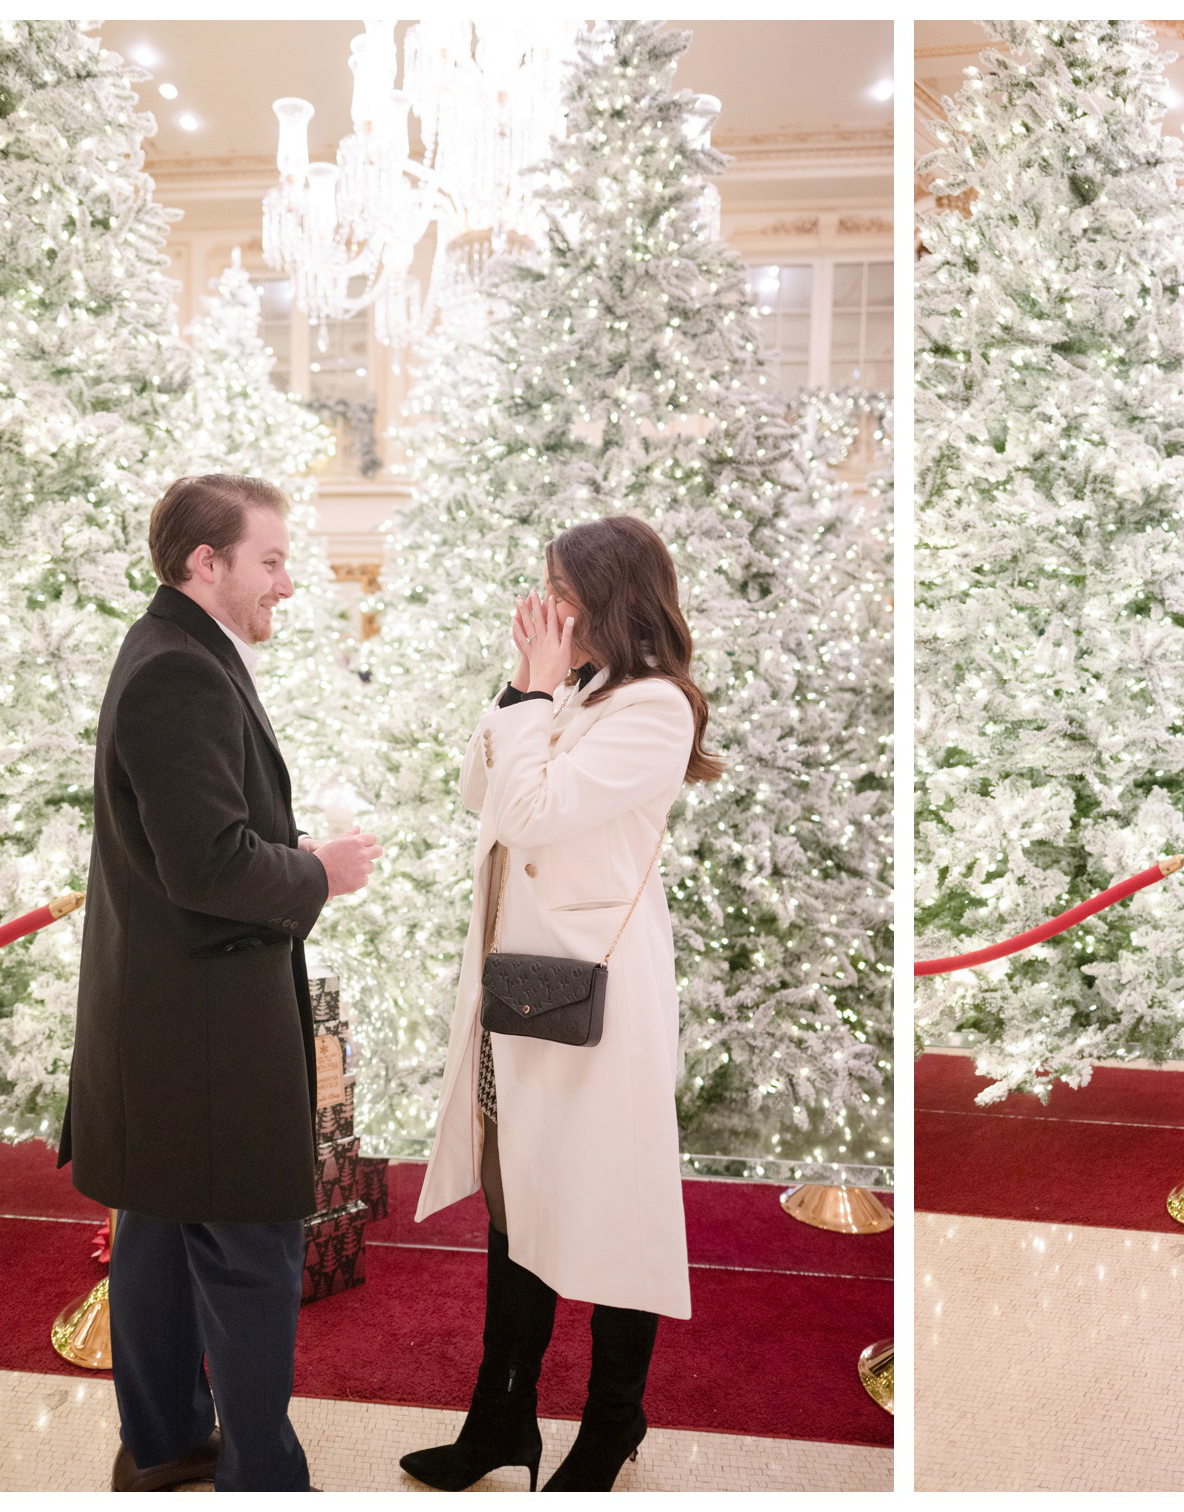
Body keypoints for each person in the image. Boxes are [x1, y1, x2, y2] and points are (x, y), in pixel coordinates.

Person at [59, 474, 381, 1491]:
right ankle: (261, 1477)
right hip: (204, 1032)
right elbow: (206, 866)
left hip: (163, 1018)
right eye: (271, 560)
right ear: (208, 563)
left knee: (156, 1236)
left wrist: (284, 850)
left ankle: (161, 1447)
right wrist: (318, 870)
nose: (287, 582)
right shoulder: (181, 672)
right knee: (247, 1255)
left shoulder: (172, 649)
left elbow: (184, 845)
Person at [400, 515, 722, 1493]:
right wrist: (521, 689)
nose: (544, 607)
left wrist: (535, 695)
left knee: (610, 1205)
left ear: (608, 600)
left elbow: (531, 811)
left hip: (593, 999)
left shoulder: (655, 707)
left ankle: (612, 1420)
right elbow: (479, 791)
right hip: (518, 988)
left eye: (559, 590)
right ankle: (501, 1416)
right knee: (518, 1200)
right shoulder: (575, 690)